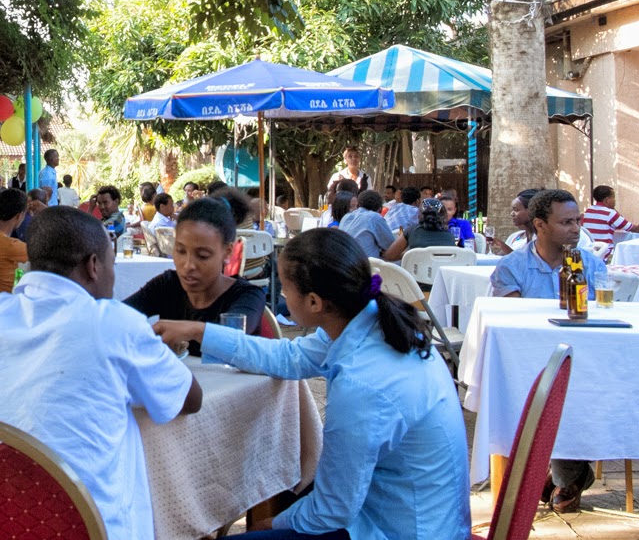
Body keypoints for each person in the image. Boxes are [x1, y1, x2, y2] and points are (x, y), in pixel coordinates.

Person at [153, 229, 471, 540]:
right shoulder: (369, 323)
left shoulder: (362, 385)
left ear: (315, 302)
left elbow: (333, 510)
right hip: (405, 512)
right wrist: (198, 331)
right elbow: (287, 356)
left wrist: (273, 524)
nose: (283, 297)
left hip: (394, 527)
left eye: (287, 289)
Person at [0, 206, 202, 539]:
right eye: (112, 266)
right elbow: (191, 399)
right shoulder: (112, 322)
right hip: (86, 526)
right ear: (93, 266)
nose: (113, 277)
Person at [490, 189, 607, 514]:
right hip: (531, 367)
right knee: (557, 392)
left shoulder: (591, 264)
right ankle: (567, 477)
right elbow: (512, 328)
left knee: (582, 389)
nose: (575, 229)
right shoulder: (512, 267)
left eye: (578, 221)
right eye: (566, 222)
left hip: (587, 363)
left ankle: (557, 474)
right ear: (540, 225)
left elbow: (606, 314)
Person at [124, 198, 266, 356]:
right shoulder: (168, 285)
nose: (188, 265)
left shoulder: (248, 296)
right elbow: (118, 317)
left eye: (203, 255)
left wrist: (189, 330)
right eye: (180, 251)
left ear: (227, 252)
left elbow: (231, 339)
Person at [383, 198, 458, 263]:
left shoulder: (412, 231)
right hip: (439, 278)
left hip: (413, 278)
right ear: (443, 215)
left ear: (420, 214)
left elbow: (389, 256)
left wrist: (409, 255)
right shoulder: (450, 237)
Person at [580, 185, 638, 254]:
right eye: (613, 198)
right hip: (606, 253)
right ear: (607, 200)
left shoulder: (588, 211)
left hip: (591, 251)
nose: (615, 200)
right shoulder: (610, 213)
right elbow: (632, 228)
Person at [339, 191, 395, 259]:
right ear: (380, 209)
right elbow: (392, 246)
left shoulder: (346, 217)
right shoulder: (374, 217)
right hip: (363, 265)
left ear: (359, 204)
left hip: (343, 262)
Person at [492, 189, 538, 255]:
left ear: (530, 211)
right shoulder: (515, 236)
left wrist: (504, 248)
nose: (512, 214)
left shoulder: (540, 239)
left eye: (516, 210)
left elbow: (531, 263)